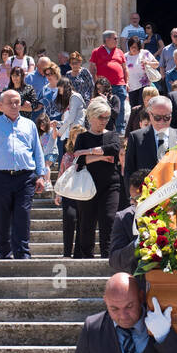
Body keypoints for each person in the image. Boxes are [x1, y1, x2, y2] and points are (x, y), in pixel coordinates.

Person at [0, 89, 47, 259]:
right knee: (1, 218)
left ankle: (22, 253)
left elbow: (37, 152)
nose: (16, 105)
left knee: (22, 216)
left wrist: (41, 176)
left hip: (25, 177)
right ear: (0, 106)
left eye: (18, 102)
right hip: (1, 177)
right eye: (11, 102)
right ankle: (4, 253)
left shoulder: (29, 125)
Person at [73, 96, 122, 258]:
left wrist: (88, 153)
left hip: (110, 185)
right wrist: (101, 155)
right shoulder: (82, 137)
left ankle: (108, 257)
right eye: (101, 117)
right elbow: (79, 160)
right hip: (87, 186)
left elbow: (114, 150)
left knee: (108, 219)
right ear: (91, 117)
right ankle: (86, 258)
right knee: (87, 222)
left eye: (107, 117)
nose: (104, 121)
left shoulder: (112, 135)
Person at [54, 123, 86, 259]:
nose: (76, 139)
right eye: (74, 137)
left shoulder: (88, 154)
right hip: (68, 193)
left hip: (83, 193)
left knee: (82, 223)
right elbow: (61, 173)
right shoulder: (67, 155)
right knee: (69, 220)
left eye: (80, 137)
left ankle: (78, 253)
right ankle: (67, 252)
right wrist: (58, 193)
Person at [108, 168, 149, 274]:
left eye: (138, 198)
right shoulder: (123, 218)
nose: (132, 202)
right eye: (132, 198)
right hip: (139, 280)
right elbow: (115, 260)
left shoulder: (169, 214)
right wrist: (137, 244)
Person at [124, 94, 175, 179]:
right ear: (150, 115)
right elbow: (129, 172)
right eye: (157, 117)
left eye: (166, 117)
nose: (162, 121)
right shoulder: (136, 138)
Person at [124, 35, 160, 108]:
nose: (135, 49)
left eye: (137, 47)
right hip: (131, 87)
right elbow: (123, 71)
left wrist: (148, 63)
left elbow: (157, 64)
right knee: (134, 109)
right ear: (129, 47)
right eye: (132, 47)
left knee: (143, 108)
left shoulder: (145, 53)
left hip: (144, 85)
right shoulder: (125, 57)